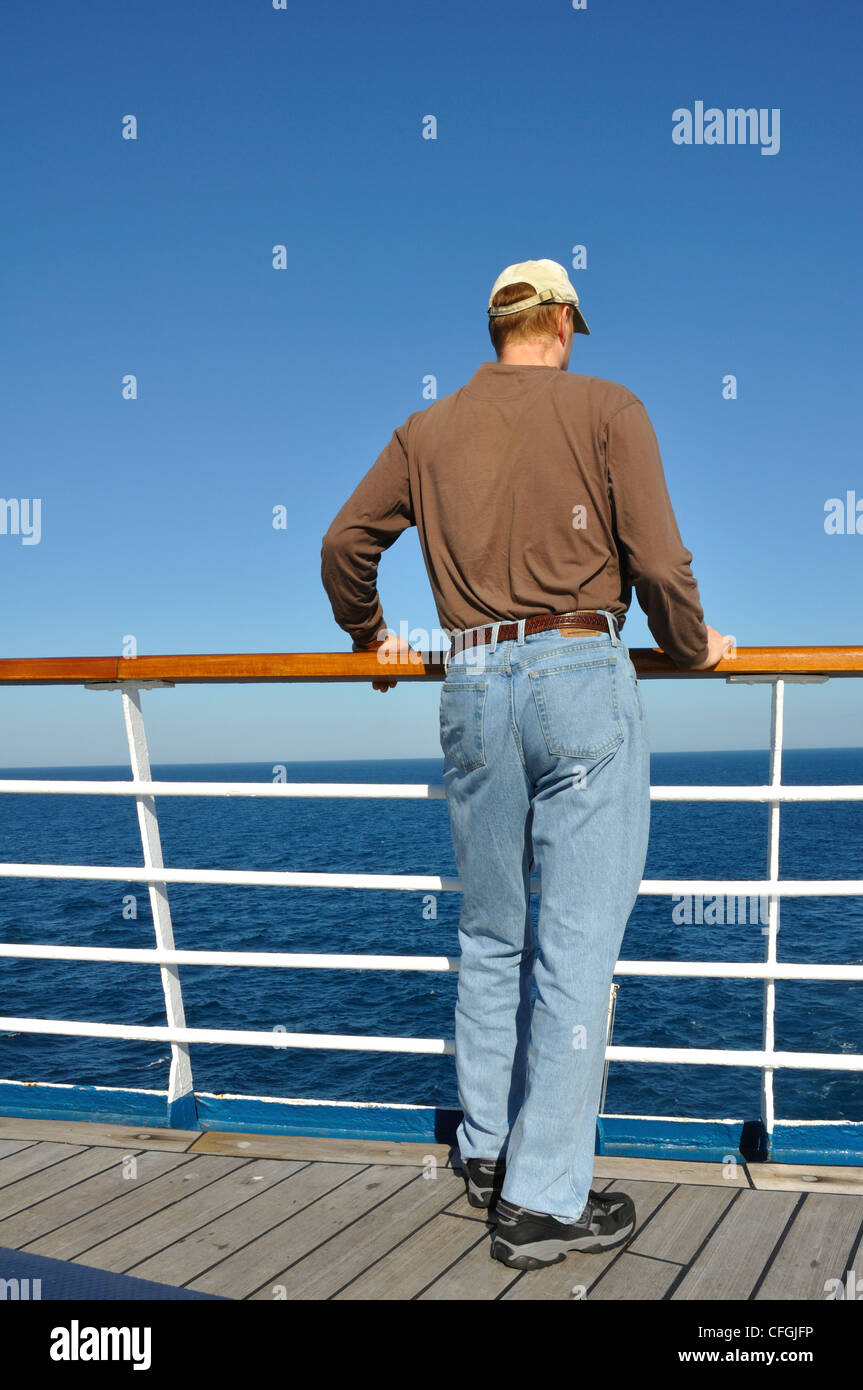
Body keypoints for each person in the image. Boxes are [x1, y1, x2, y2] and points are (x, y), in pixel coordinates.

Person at [320, 257, 733, 1271]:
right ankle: (541, 1203)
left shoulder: (426, 429)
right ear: (558, 320)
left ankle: (485, 1148)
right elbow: (656, 560)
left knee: (491, 930)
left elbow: (341, 544)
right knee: (575, 949)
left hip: (469, 680)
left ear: (496, 326)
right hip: (578, 676)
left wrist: (371, 635)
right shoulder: (607, 406)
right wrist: (689, 643)